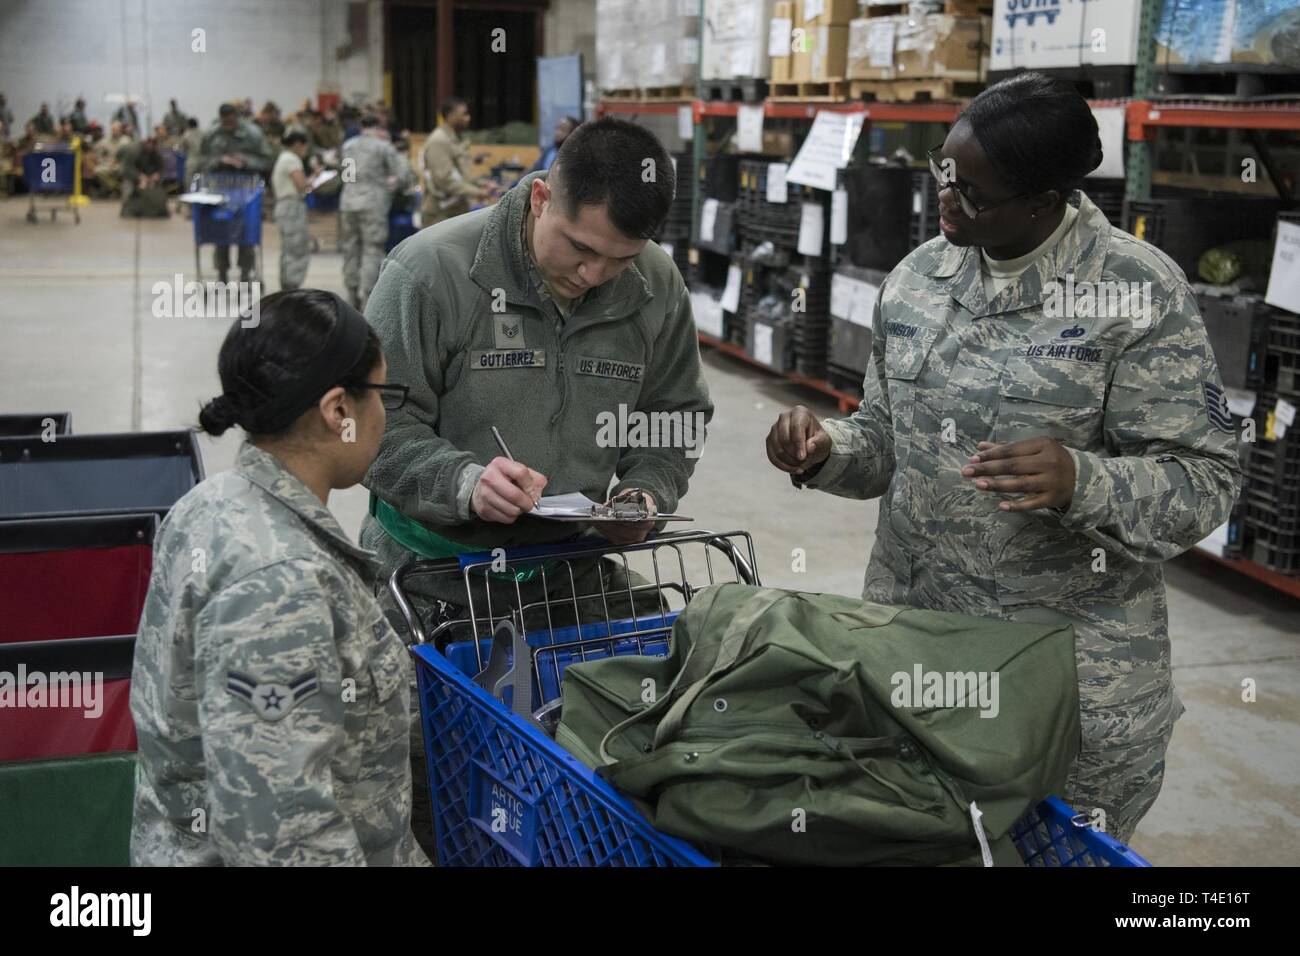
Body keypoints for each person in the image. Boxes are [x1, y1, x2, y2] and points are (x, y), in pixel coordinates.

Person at [765, 72, 1241, 845]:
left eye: (974, 194)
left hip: (1058, 687)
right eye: (943, 174)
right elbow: (885, 441)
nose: (949, 200)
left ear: (1043, 199)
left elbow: (1204, 484)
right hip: (916, 662)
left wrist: (1081, 480)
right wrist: (827, 447)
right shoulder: (919, 281)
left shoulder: (1137, 294)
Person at [360, 117, 711, 855]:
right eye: (580, 249)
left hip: (567, 573)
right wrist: (461, 481)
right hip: (431, 577)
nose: (595, 276)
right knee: (435, 774)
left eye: (619, 259)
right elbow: (369, 429)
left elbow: (675, 415)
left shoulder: (654, 286)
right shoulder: (430, 273)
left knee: (586, 760)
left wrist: (645, 494)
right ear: (542, 197)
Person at [130, 289, 429, 867]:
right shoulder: (281, 582)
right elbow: (285, 838)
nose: (385, 415)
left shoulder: (213, 503)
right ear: (338, 410)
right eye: (384, 394)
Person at [339, 114, 414, 310]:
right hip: (373, 202)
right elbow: (403, 174)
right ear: (378, 127)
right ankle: (368, 297)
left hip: (348, 200)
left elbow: (346, 174)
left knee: (350, 248)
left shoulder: (348, 145)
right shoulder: (382, 147)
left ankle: (351, 292)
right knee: (372, 249)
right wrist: (394, 184)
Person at [197, 103, 273, 282]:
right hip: (220, 189)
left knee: (246, 232)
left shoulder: (253, 134)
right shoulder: (212, 135)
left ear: (237, 118)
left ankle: (246, 273)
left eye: (231, 121)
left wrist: (246, 161)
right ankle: (222, 273)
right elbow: (202, 160)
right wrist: (219, 161)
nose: (228, 125)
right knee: (219, 231)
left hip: (247, 190)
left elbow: (268, 160)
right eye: (225, 122)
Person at [419, 96, 492, 228]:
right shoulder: (439, 140)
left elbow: (461, 175)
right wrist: (477, 192)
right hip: (440, 214)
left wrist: (482, 184)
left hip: (455, 210)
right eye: (464, 114)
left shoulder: (456, 139)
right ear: (450, 116)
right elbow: (445, 180)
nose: (468, 118)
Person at [272, 131, 313, 290]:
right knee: (297, 248)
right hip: (292, 206)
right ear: (297, 144)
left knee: (288, 248)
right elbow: (301, 185)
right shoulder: (292, 159)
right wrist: (313, 182)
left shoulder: (283, 157)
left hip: (283, 206)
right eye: (304, 147)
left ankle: (287, 285)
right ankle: (292, 286)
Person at [119, 136, 169, 218]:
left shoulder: (155, 152)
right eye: (149, 144)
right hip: (131, 176)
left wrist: (157, 175)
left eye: (153, 145)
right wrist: (139, 176)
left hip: (147, 178)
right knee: (129, 191)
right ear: (145, 144)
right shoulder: (134, 151)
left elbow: (161, 167)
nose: (151, 147)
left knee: (155, 193)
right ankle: (128, 208)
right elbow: (127, 168)